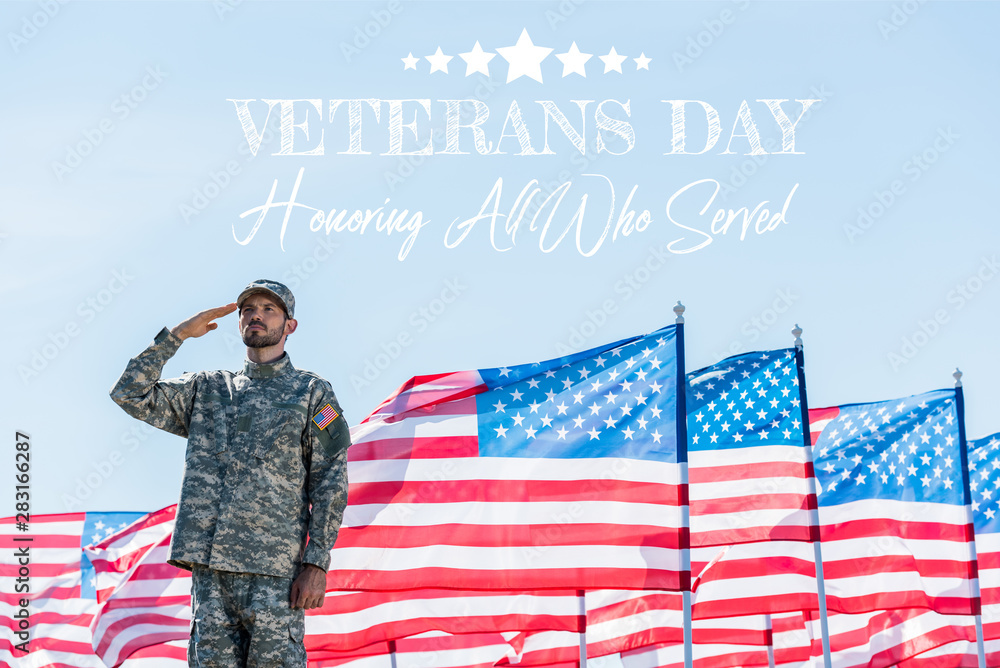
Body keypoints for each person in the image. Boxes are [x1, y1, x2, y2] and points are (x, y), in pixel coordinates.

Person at [110, 279, 350, 668]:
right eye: (248, 309)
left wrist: (317, 562)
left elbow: (330, 482)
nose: (256, 315)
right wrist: (176, 337)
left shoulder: (312, 394)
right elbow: (129, 394)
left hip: (275, 575)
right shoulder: (206, 389)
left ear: (290, 326)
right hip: (211, 575)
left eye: (268, 309)